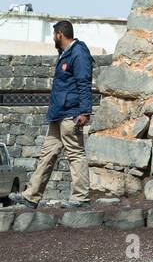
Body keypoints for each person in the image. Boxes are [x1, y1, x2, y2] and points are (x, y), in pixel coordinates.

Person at [10, 20, 93, 209]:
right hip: (58, 114)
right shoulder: (66, 54)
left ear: (59, 35)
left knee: (75, 154)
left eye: (53, 35)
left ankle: (81, 197)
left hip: (71, 114)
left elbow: (84, 83)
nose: (52, 38)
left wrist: (85, 112)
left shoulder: (78, 53)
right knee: (47, 155)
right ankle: (31, 196)